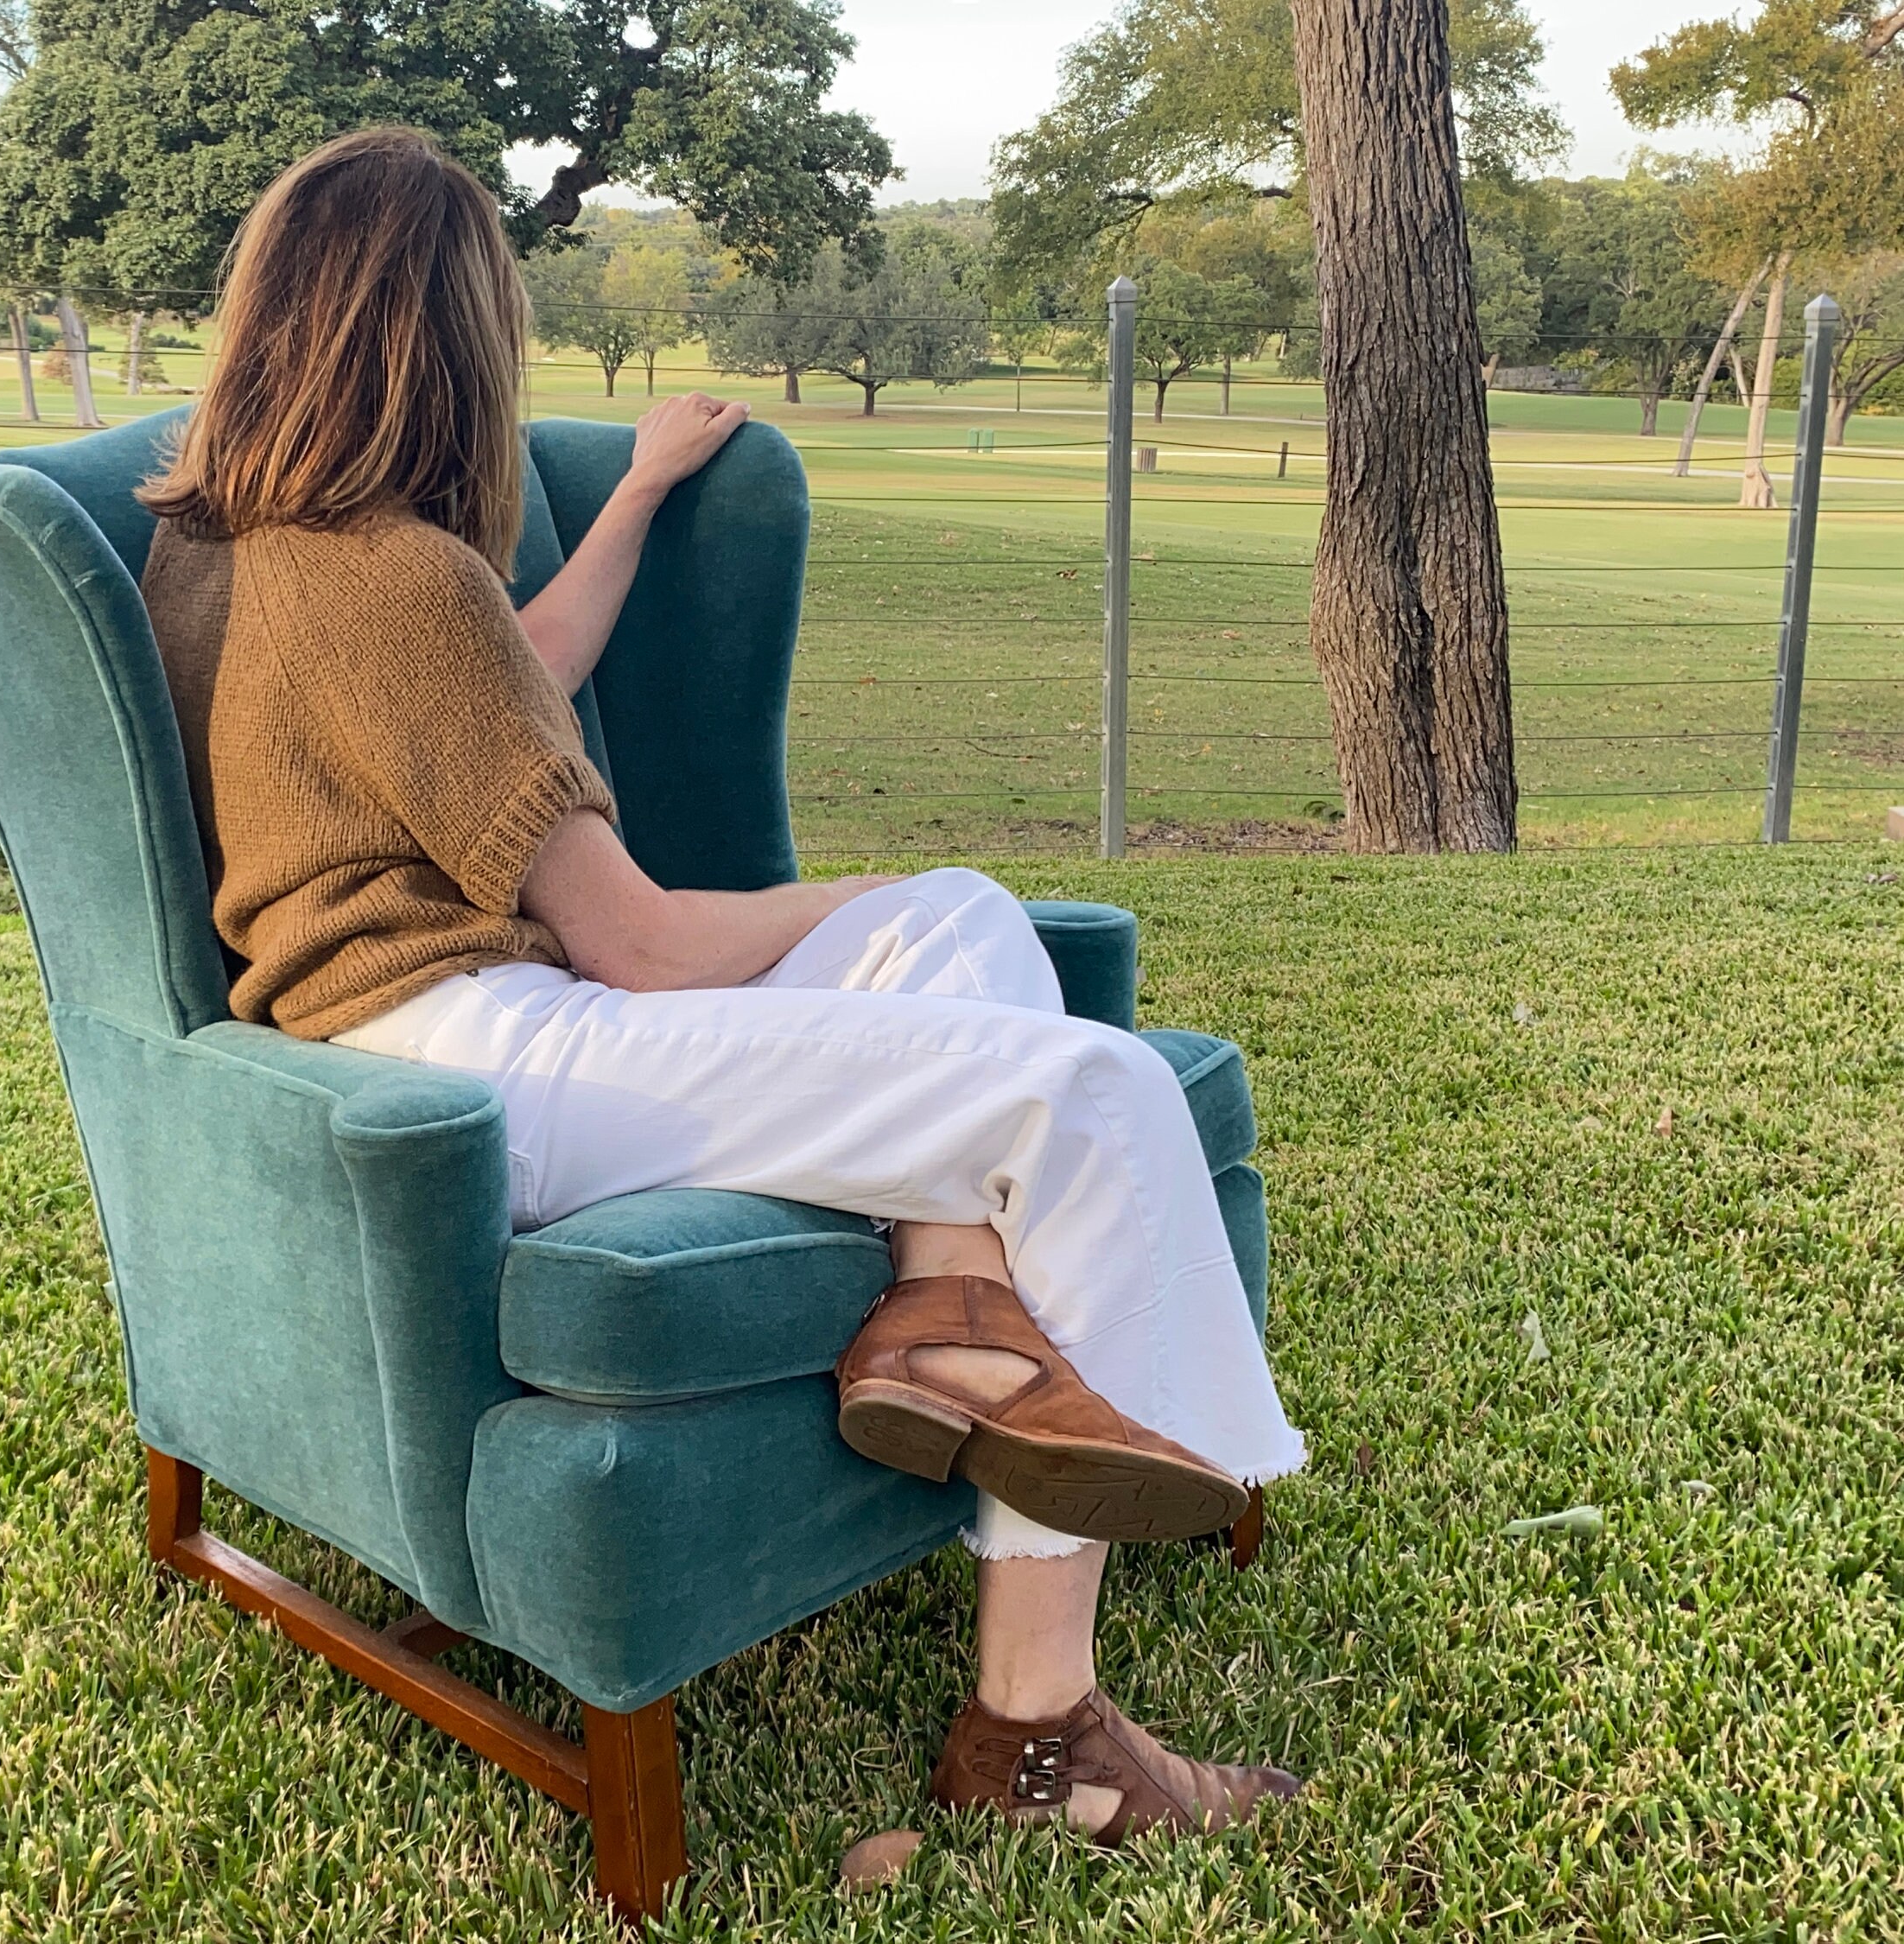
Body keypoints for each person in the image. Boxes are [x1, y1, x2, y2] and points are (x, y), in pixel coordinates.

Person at [136, 126, 1307, 1840]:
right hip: (480, 1062)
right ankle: (1036, 1734)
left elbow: (507, 674)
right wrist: (864, 888)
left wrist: (630, 498)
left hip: (415, 1051)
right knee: (1092, 1084)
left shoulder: (224, 549)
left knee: (971, 929)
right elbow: (643, 944)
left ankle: (953, 1317)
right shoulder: (396, 573)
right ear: (457, 340)